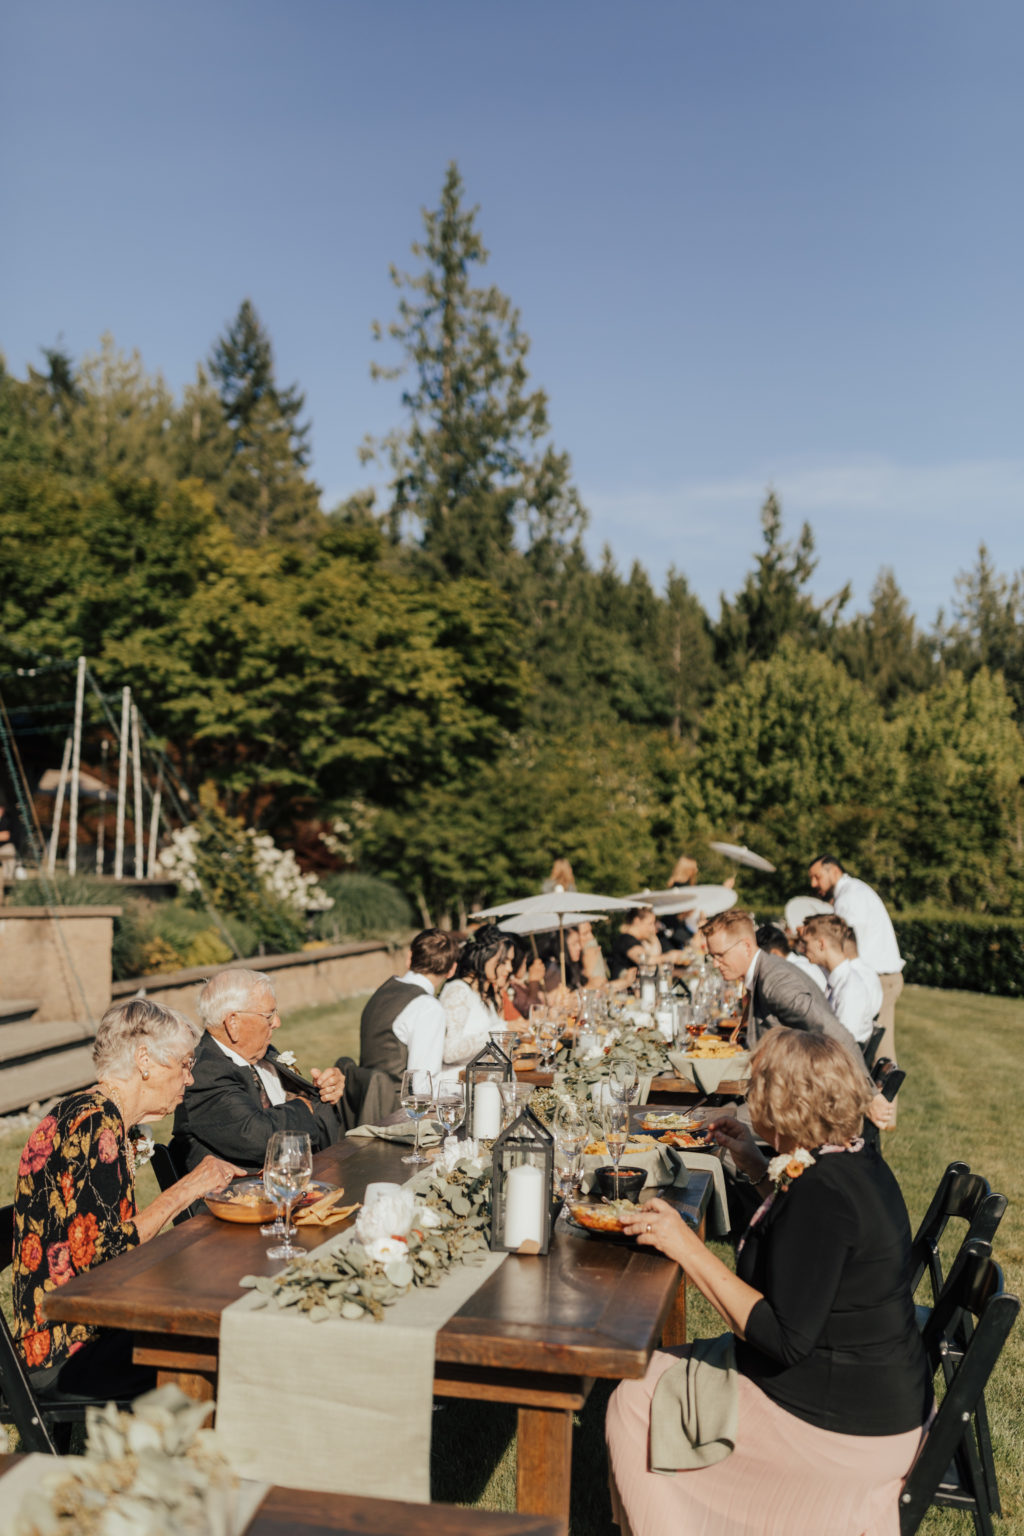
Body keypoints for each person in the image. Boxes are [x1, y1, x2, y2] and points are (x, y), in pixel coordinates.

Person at [605, 1029, 932, 1536]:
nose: (749, 1097)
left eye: (756, 1087)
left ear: (782, 1102)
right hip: (876, 1397)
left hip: (843, 1427)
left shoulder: (825, 1195)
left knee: (634, 1398)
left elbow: (784, 1336)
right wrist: (758, 1168)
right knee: (654, 1380)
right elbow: (810, 1257)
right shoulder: (852, 1158)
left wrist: (685, 1245)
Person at [12, 998, 240, 1397]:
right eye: (185, 1064)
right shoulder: (94, 1121)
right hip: (66, 1346)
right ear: (144, 1060)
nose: (190, 1078)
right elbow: (101, 1257)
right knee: (222, 1348)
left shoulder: (94, 1113)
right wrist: (185, 1189)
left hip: (80, 1325)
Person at [170, 967, 347, 1172]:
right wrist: (305, 1106)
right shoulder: (203, 1072)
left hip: (290, 1179)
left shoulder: (264, 1054)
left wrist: (326, 1091)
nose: (277, 1023)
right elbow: (259, 1136)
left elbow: (300, 1106)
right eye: (269, 1015)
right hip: (235, 1197)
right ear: (233, 1022)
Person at [358, 928, 460, 1094]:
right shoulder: (428, 1007)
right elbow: (421, 1086)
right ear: (452, 970)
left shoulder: (383, 990)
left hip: (365, 1100)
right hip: (396, 1112)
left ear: (409, 957)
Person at [440, 925, 514, 1077]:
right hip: (460, 1085)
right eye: (503, 961)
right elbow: (449, 1051)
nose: (510, 968)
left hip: (484, 1082)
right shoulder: (457, 991)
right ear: (485, 956)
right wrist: (500, 1032)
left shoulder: (482, 994)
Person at [800, 913, 883, 1048]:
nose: (803, 950)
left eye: (806, 943)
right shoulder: (838, 981)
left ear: (821, 944)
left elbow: (841, 1048)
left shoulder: (850, 990)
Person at [610, 908, 688, 981]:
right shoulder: (626, 940)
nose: (652, 928)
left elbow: (651, 969)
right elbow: (645, 960)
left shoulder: (634, 941)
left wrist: (683, 972)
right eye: (650, 924)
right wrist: (669, 956)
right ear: (637, 921)